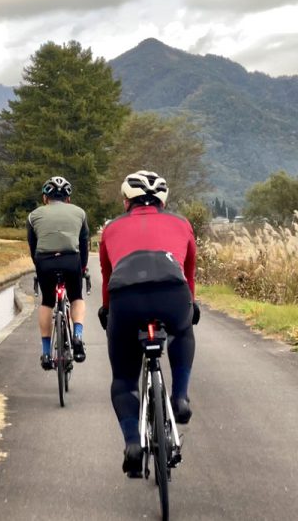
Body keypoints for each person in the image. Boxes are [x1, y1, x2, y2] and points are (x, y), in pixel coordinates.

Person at [98, 170, 200, 478]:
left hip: (125, 299)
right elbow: (189, 271)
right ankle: (180, 397)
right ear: (163, 199)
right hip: (172, 293)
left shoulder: (111, 228)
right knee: (183, 332)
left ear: (126, 200)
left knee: (124, 381)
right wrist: (190, 306)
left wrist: (107, 310)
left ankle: (132, 443)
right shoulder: (181, 223)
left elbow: (106, 275)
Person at [27, 176, 89, 370]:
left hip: (45, 262)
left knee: (47, 301)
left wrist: (39, 267)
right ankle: (77, 335)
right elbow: (84, 244)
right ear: (68, 199)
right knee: (76, 297)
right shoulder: (80, 213)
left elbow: (33, 246)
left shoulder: (34, 215)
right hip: (71, 260)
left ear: (46, 198)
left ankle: (46, 353)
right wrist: (82, 268)